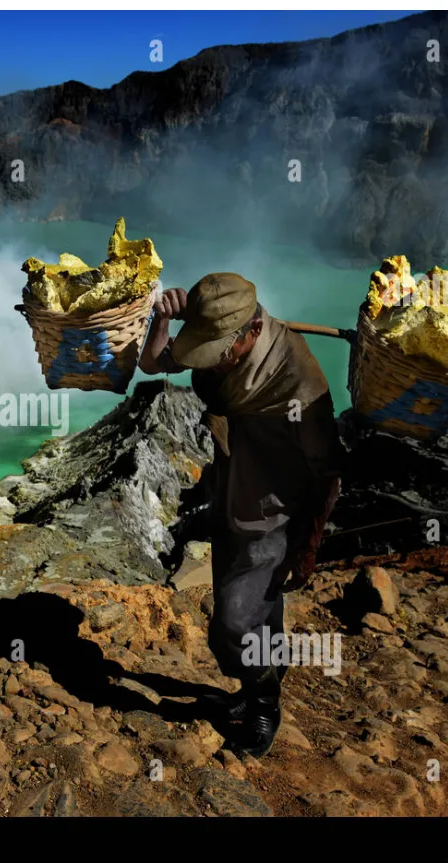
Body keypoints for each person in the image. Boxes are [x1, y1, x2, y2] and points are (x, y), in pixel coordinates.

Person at [139, 273, 344, 757]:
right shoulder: (217, 323)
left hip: (272, 510)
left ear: (253, 332)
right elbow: (151, 363)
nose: (216, 360)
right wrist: (162, 319)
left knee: (231, 625)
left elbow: (328, 470)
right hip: (230, 485)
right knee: (259, 609)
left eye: (223, 351)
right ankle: (260, 680)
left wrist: (308, 547)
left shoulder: (299, 383)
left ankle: (264, 701)